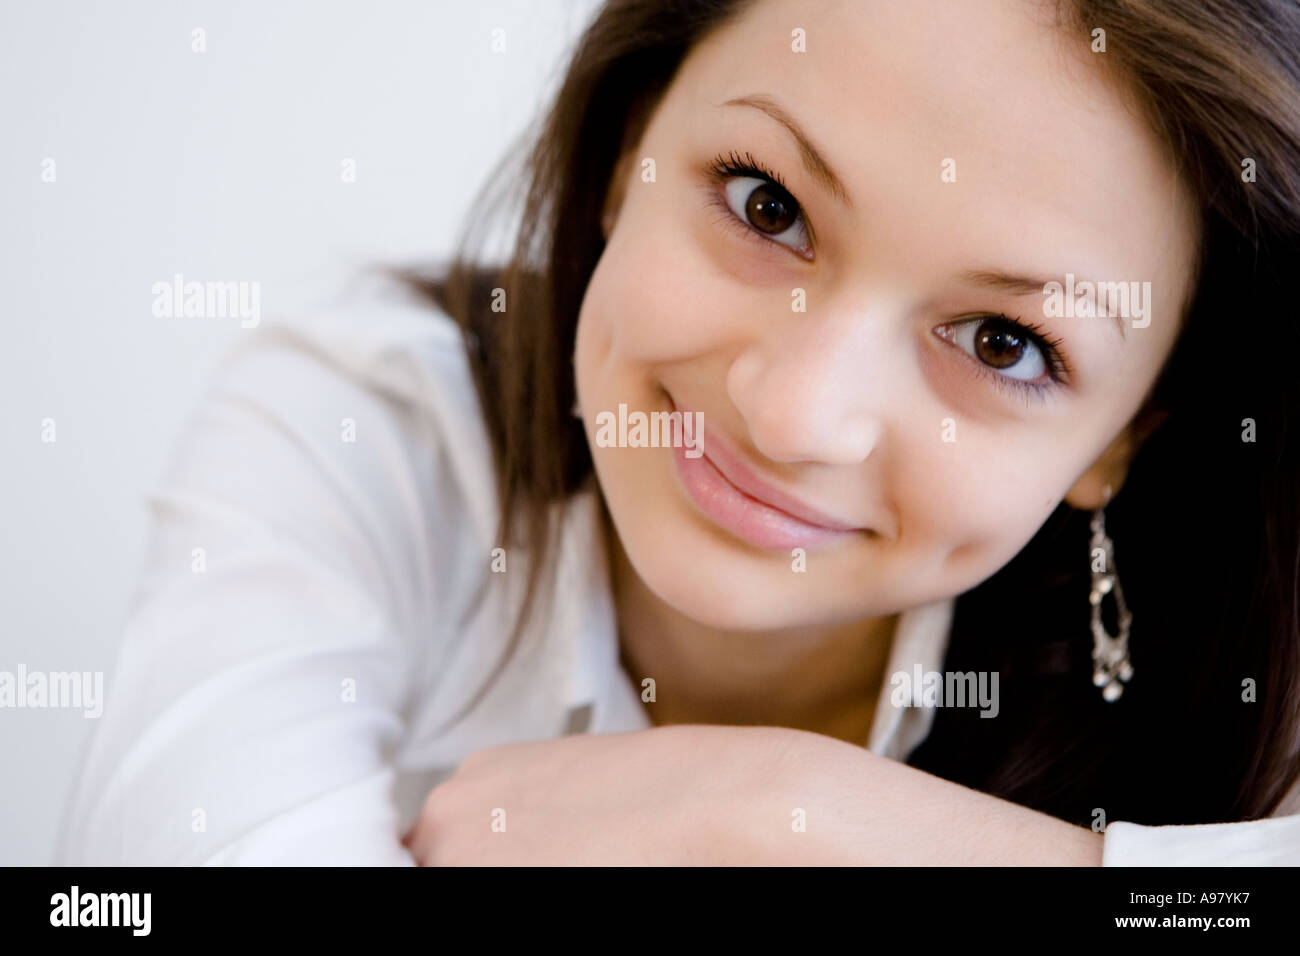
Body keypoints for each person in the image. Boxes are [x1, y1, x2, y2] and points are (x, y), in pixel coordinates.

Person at [57, 0, 1300, 865]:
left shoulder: (1227, 649)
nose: (791, 410)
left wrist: (797, 815)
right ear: (626, 148)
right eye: (767, 206)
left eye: (999, 343)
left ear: (1117, 439)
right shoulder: (361, 428)